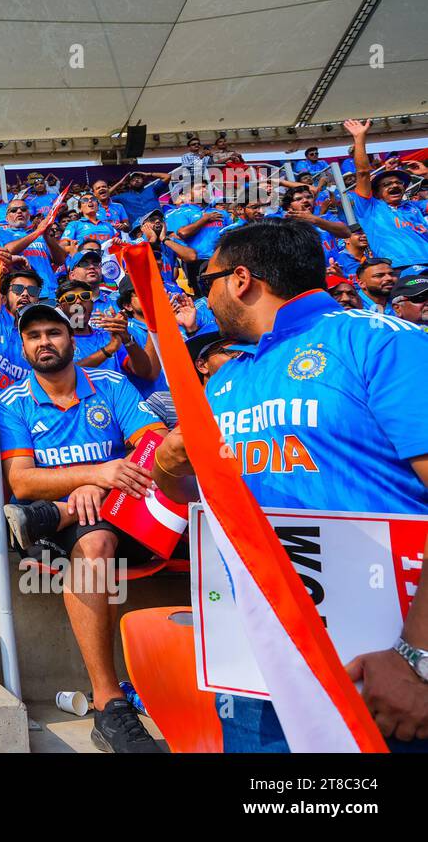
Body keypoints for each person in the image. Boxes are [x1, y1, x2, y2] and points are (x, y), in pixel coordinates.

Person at [152, 219, 428, 751]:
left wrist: (416, 659)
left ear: (239, 280)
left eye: (202, 282)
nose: (202, 300)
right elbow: (191, 497)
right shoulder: (228, 379)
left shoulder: (382, 344)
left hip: (383, 673)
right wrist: (167, 462)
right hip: (260, 671)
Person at [0, 303, 166, 752]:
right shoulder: (12, 401)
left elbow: (154, 444)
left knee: (104, 521)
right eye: (33, 336)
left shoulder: (110, 384)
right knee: (95, 541)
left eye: (53, 331)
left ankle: (65, 511)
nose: (44, 342)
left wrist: (101, 484)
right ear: (24, 345)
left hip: (116, 507)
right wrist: (95, 475)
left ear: (73, 338)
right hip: (63, 533)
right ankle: (109, 703)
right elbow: (22, 481)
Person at [343, 119, 428, 270]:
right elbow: (362, 173)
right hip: (397, 269)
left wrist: (427, 174)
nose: (394, 185)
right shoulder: (370, 208)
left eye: (398, 183)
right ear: (375, 192)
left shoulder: (414, 206)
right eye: (387, 184)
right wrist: (359, 138)